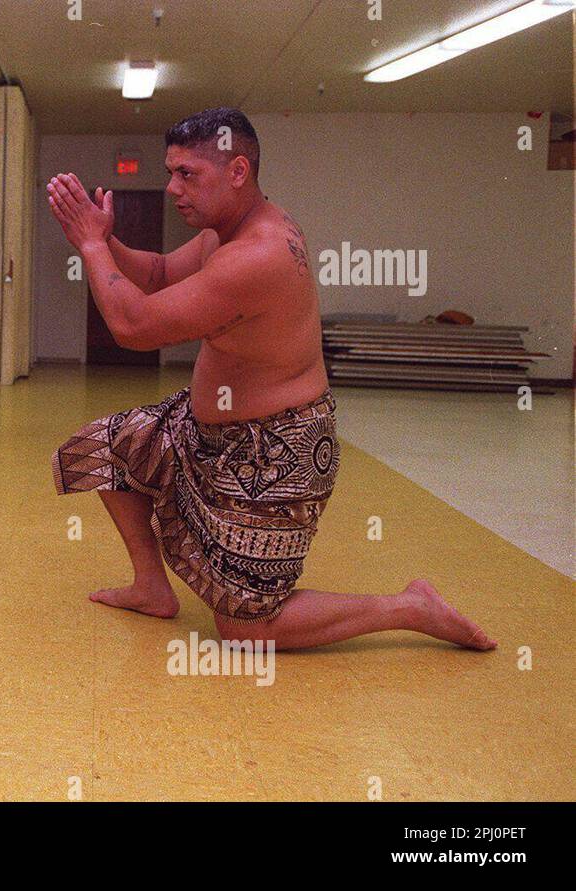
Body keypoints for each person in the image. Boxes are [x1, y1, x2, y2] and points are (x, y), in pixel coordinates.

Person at [47, 107, 494, 651]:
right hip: (206, 428)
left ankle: (409, 606)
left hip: (278, 453)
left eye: (188, 174)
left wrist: (92, 247)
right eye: (171, 172)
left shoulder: (258, 255)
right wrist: (106, 240)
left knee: (245, 627)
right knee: (109, 448)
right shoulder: (226, 233)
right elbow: (160, 274)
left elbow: (135, 326)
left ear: (238, 171)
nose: (172, 189)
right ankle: (150, 588)